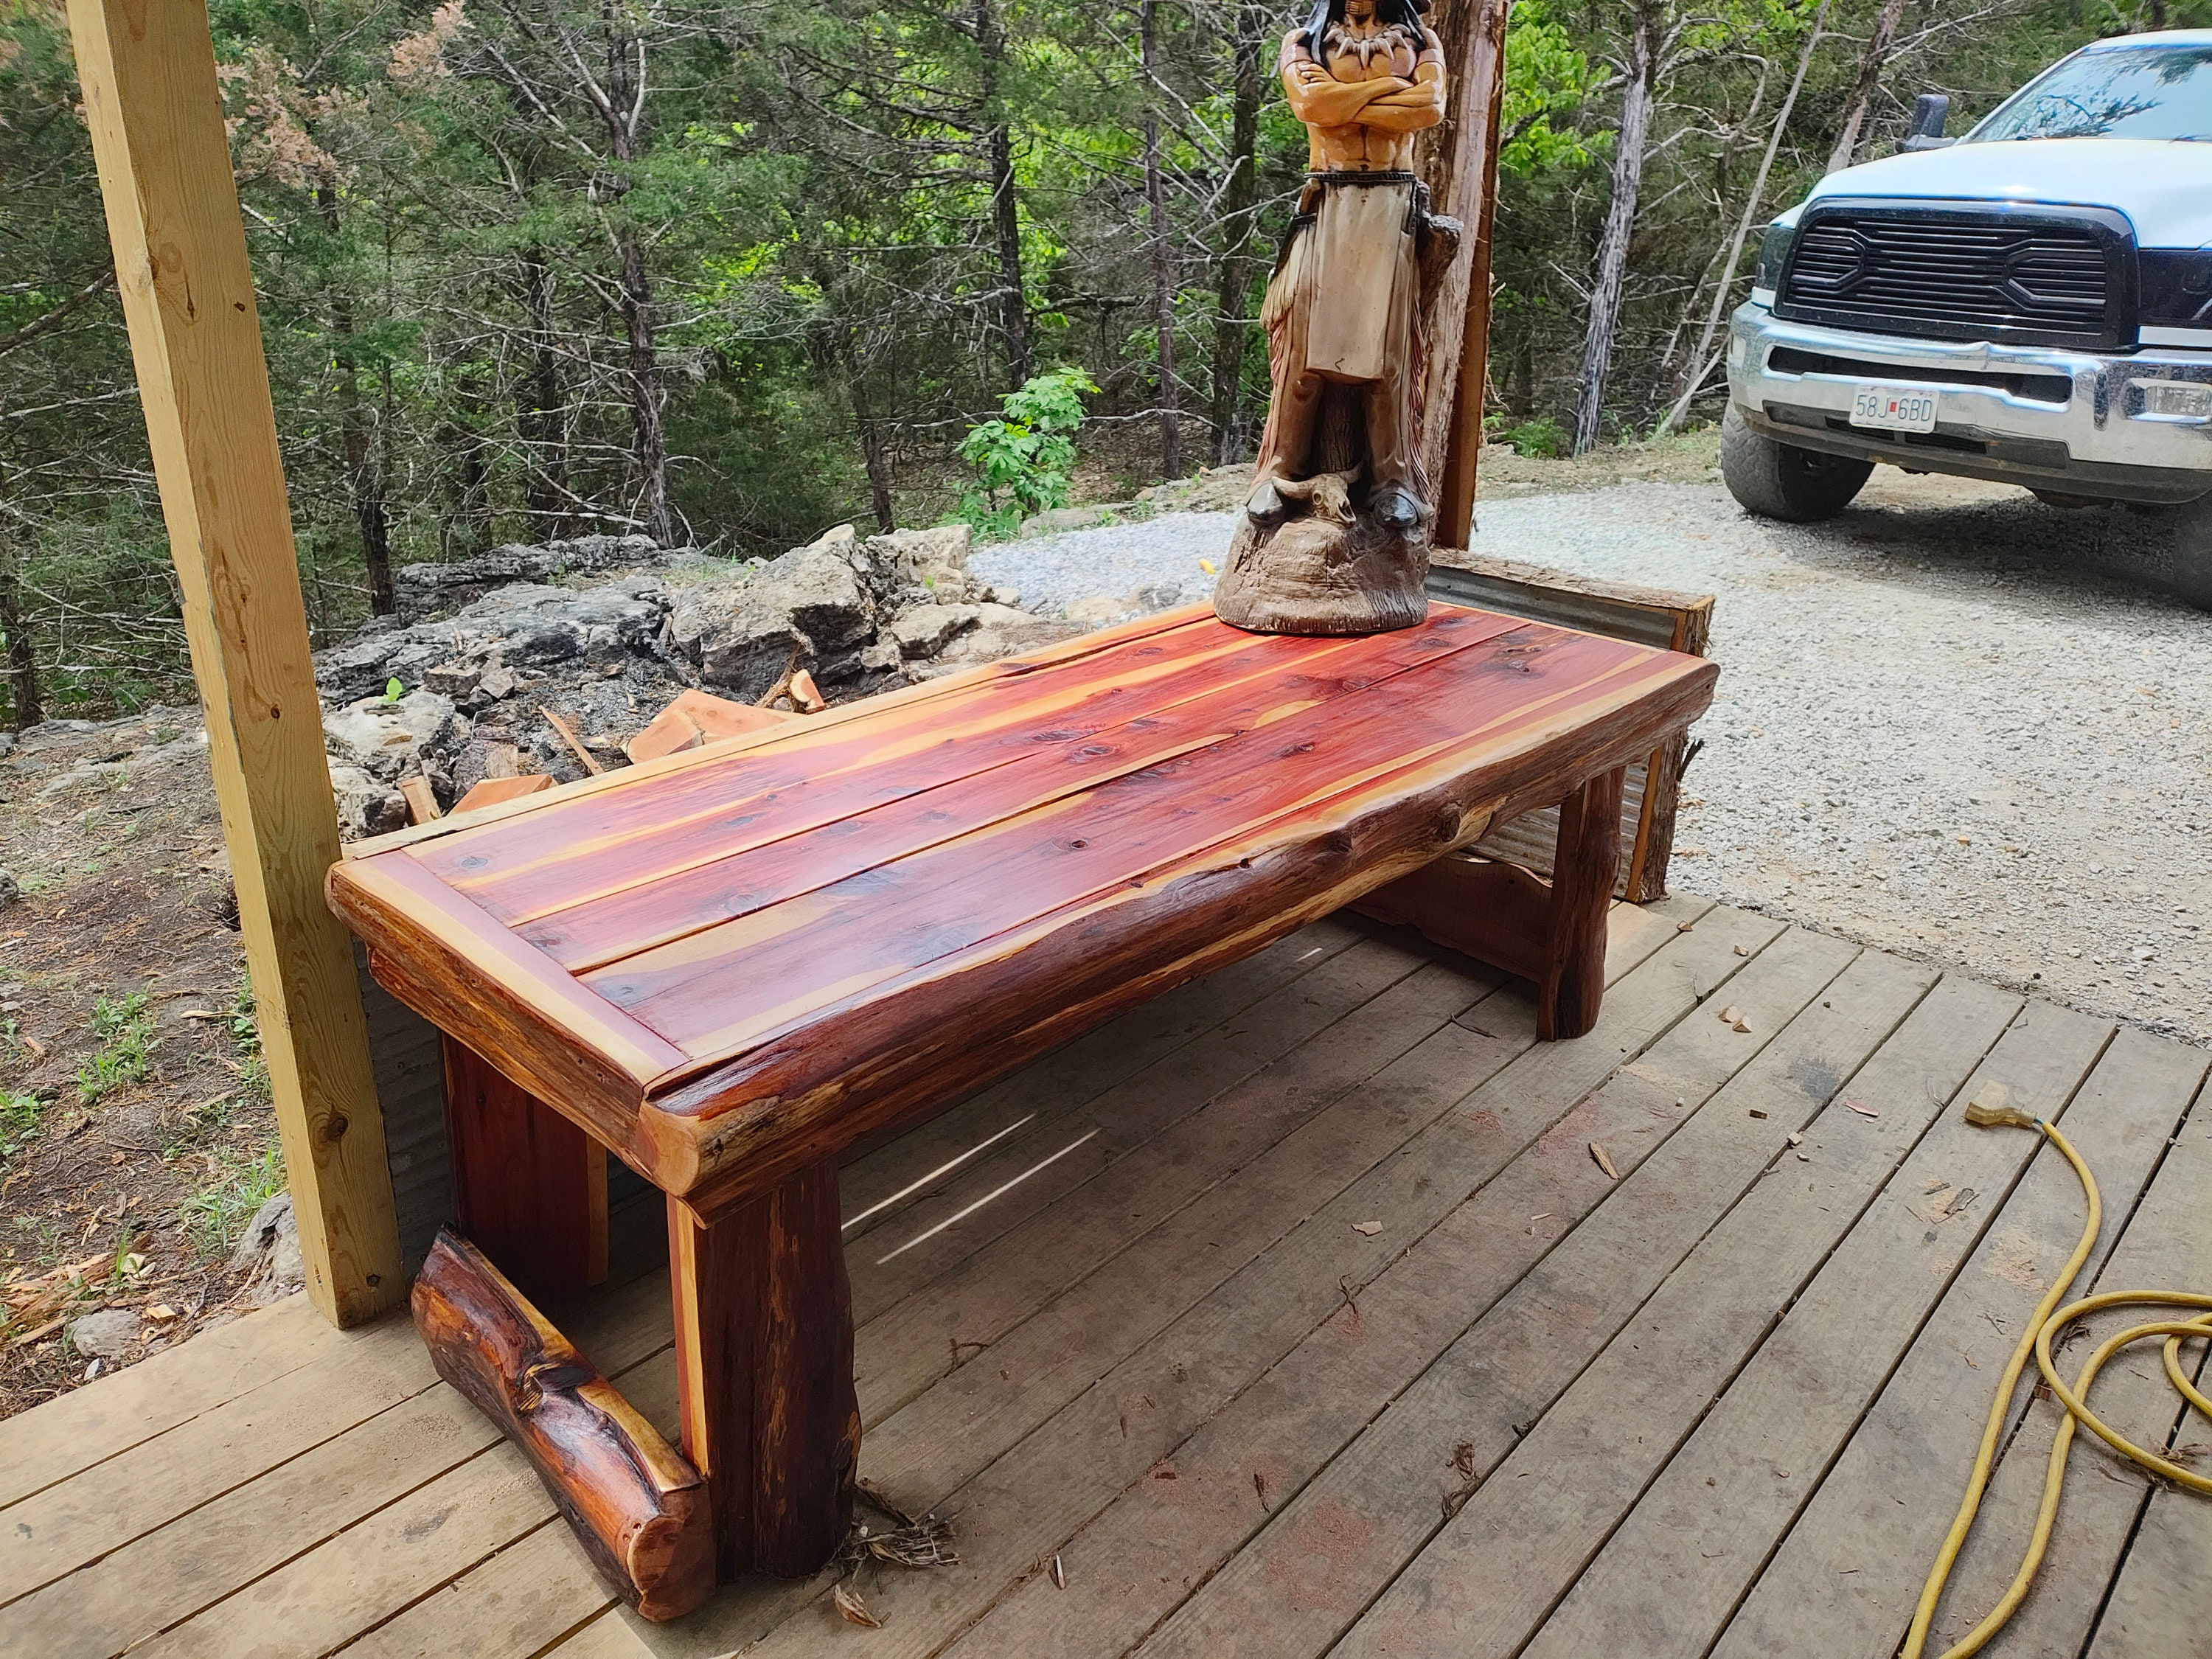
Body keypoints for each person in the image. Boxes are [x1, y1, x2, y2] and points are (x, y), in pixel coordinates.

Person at [1246, 0, 1447, 535]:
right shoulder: (1304, 42)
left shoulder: (1422, 41)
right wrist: (1387, 92)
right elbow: (1311, 104)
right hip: (1328, 201)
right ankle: (1279, 471)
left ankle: (1395, 483)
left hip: (1391, 202)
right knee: (1303, 355)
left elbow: (1429, 106)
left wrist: (1345, 102)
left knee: (1388, 359)